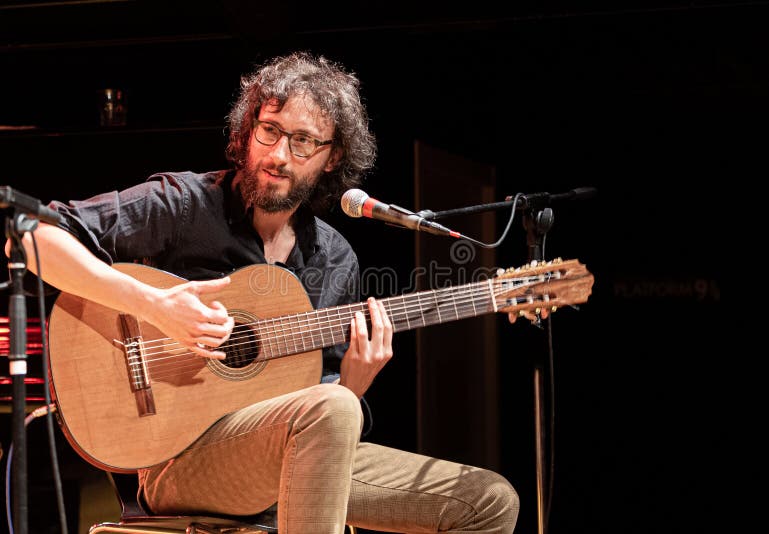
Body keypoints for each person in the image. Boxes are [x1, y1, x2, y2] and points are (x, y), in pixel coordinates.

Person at [7, 52, 519, 533]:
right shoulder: (184, 205)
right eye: (269, 131)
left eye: (303, 142)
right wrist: (154, 306)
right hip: (179, 462)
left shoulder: (334, 258)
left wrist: (353, 385)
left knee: (489, 501)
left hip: (284, 455)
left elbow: (320, 415)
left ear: (331, 156)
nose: (278, 156)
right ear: (246, 129)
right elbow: (30, 233)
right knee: (332, 409)